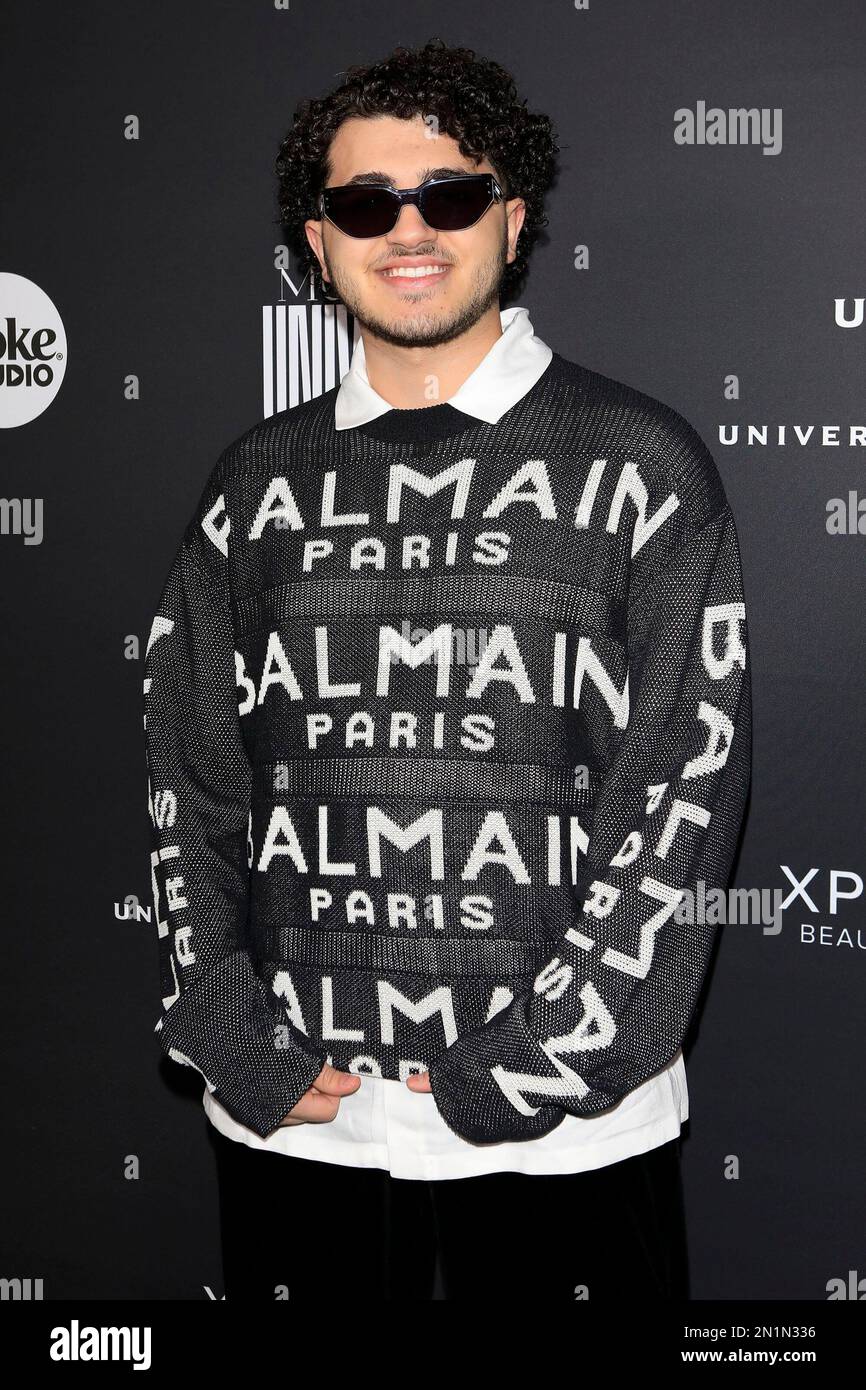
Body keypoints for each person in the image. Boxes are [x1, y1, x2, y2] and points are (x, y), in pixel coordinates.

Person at [143, 37, 751, 1302]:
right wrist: (227, 1031)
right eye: (365, 202)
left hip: (569, 1141)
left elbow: (678, 802)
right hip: (298, 1127)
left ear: (512, 220)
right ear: (318, 243)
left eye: (450, 194)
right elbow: (191, 772)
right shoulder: (251, 485)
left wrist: (532, 1059)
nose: (406, 229)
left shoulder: (641, 464)